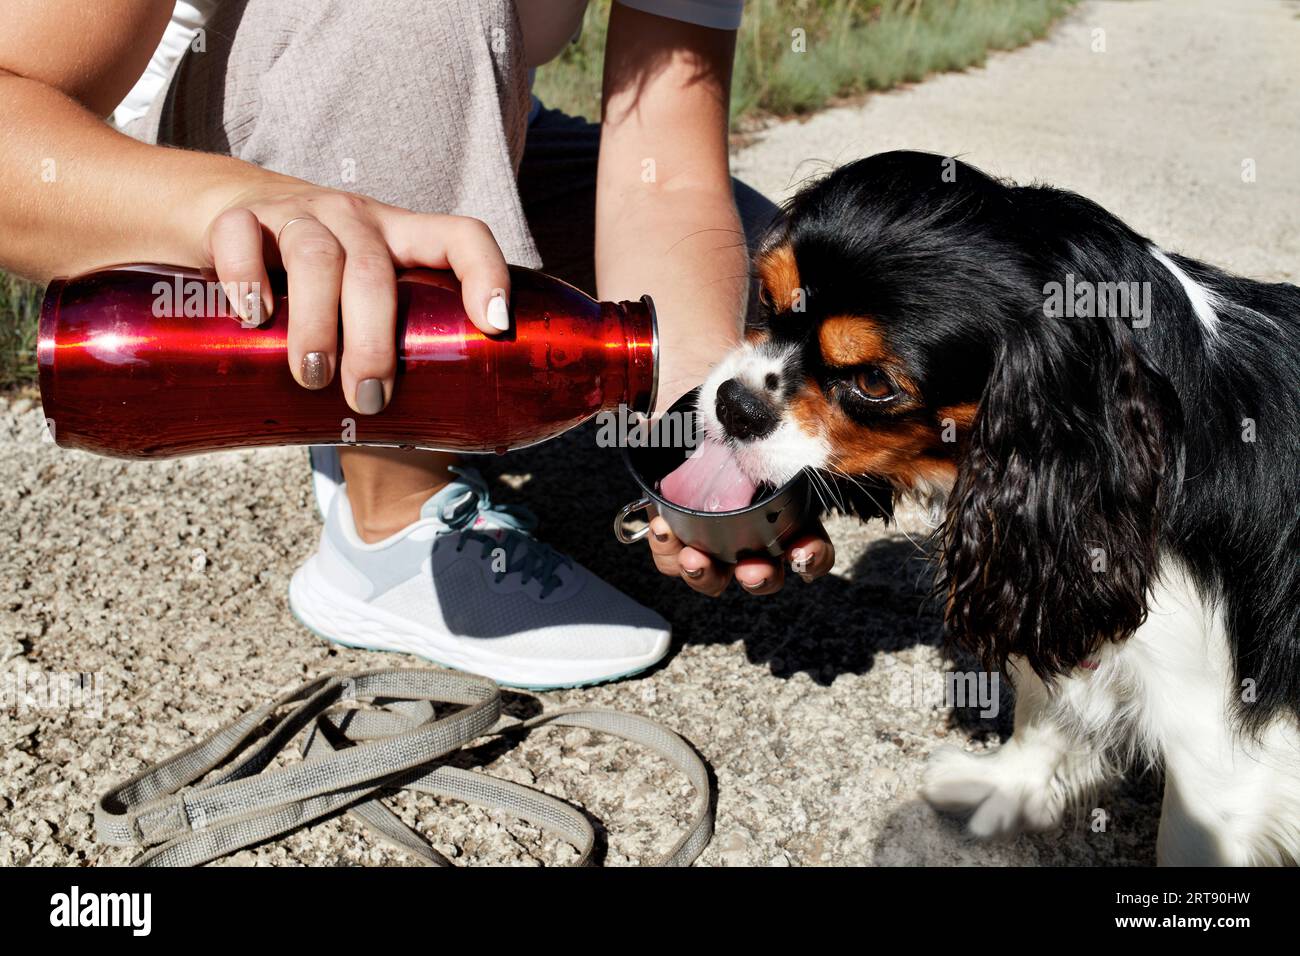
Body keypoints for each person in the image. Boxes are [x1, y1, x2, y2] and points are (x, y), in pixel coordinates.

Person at [0, 0, 835, 688]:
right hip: (193, 187)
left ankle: (388, 360)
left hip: (469, 122)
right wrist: (256, 200)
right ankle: (383, 522)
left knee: (790, 297)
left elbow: (670, 176)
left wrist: (696, 421)